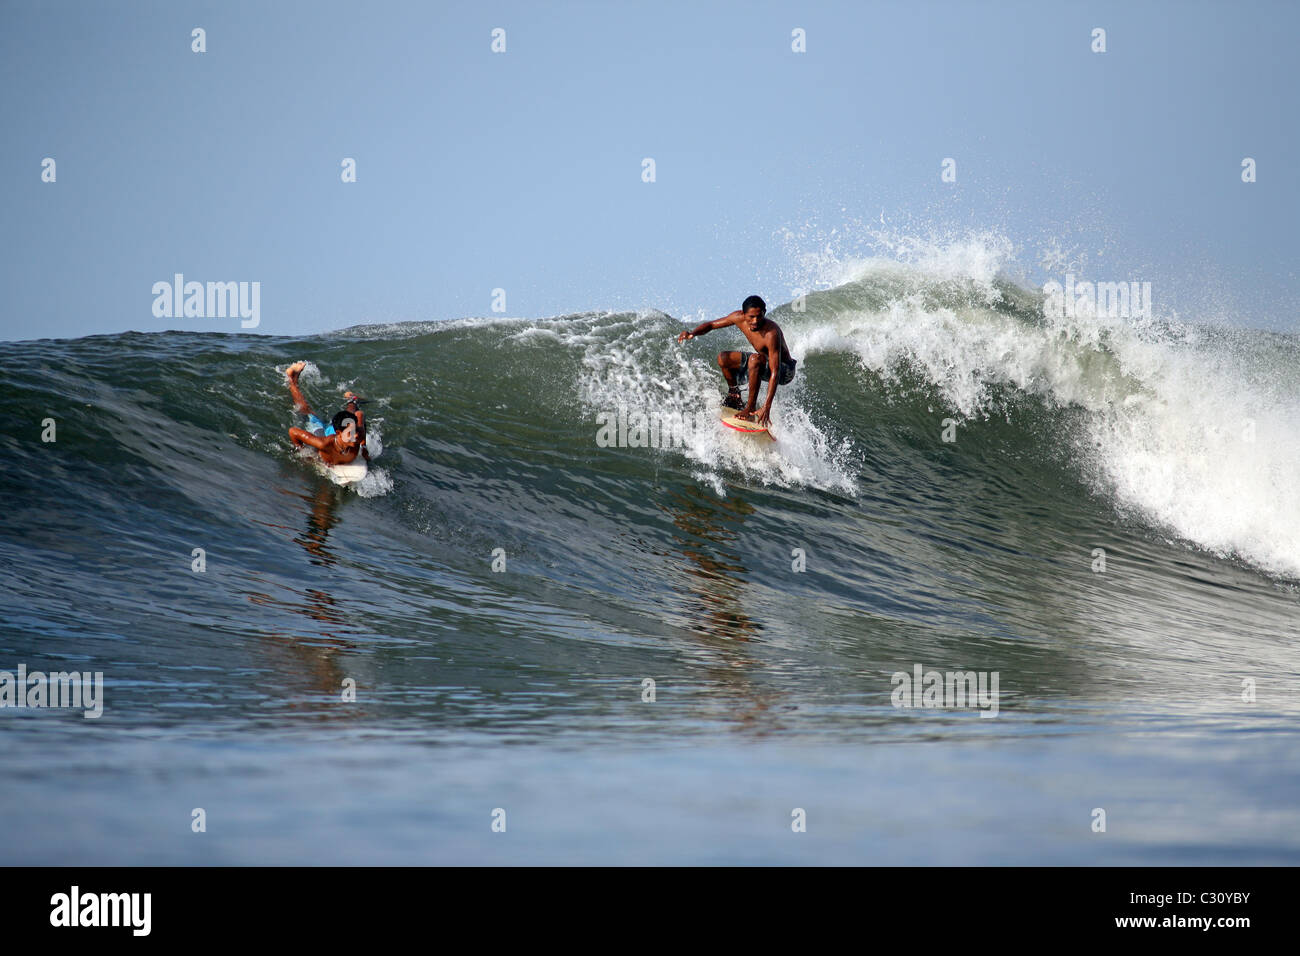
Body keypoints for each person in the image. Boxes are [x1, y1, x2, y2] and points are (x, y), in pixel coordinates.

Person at [675, 295, 796, 426]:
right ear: (743, 314)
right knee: (724, 358)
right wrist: (692, 333)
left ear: (764, 313)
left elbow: (775, 371)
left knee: (754, 360)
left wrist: (767, 406)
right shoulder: (737, 317)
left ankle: (750, 409)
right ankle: (734, 395)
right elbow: (711, 325)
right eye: (751, 317)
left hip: (785, 371)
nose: (755, 321)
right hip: (765, 362)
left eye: (759, 316)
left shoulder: (771, 333)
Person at [284, 361, 369, 467]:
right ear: (338, 433)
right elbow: (293, 432)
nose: (356, 435)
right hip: (322, 434)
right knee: (307, 412)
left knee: (350, 414)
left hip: (340, 435)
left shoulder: (357, 435)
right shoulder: (323, 444)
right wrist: (302, 451)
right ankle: (292, 379)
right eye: (351, 433)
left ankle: (351, 399)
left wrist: (364, 447)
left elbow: (360, 414)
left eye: (355, 431)